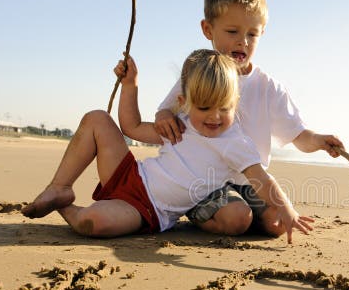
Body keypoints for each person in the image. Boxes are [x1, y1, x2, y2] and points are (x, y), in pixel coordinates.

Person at [21, 49, 313, 243]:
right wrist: (130, 85)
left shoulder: (235, 143)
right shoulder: (181, 124)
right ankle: (60, 187)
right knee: (97, 118)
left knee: (92, 222)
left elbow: (262, 179)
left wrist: (286, 209)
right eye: (204, 107)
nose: (214, 117)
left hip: (145, 209)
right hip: (128, 174)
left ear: (235, 104)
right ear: (184, 103)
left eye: (223, 108)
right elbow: (131, 127)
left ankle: (65, 207)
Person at [151, 0, 343, 238]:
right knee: (235, 219)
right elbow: (167, 111)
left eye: (252, 34)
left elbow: (298, 135)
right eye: (232, 32)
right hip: (206, 180)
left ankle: (245, 214)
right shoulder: (200, 75)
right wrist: (163, 115)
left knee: (276, 224)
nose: (243, 41)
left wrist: (319, 141)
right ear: (208, 29)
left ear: (262, 33)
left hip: (250, 181)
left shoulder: (269, 87)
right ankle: (205, 211)